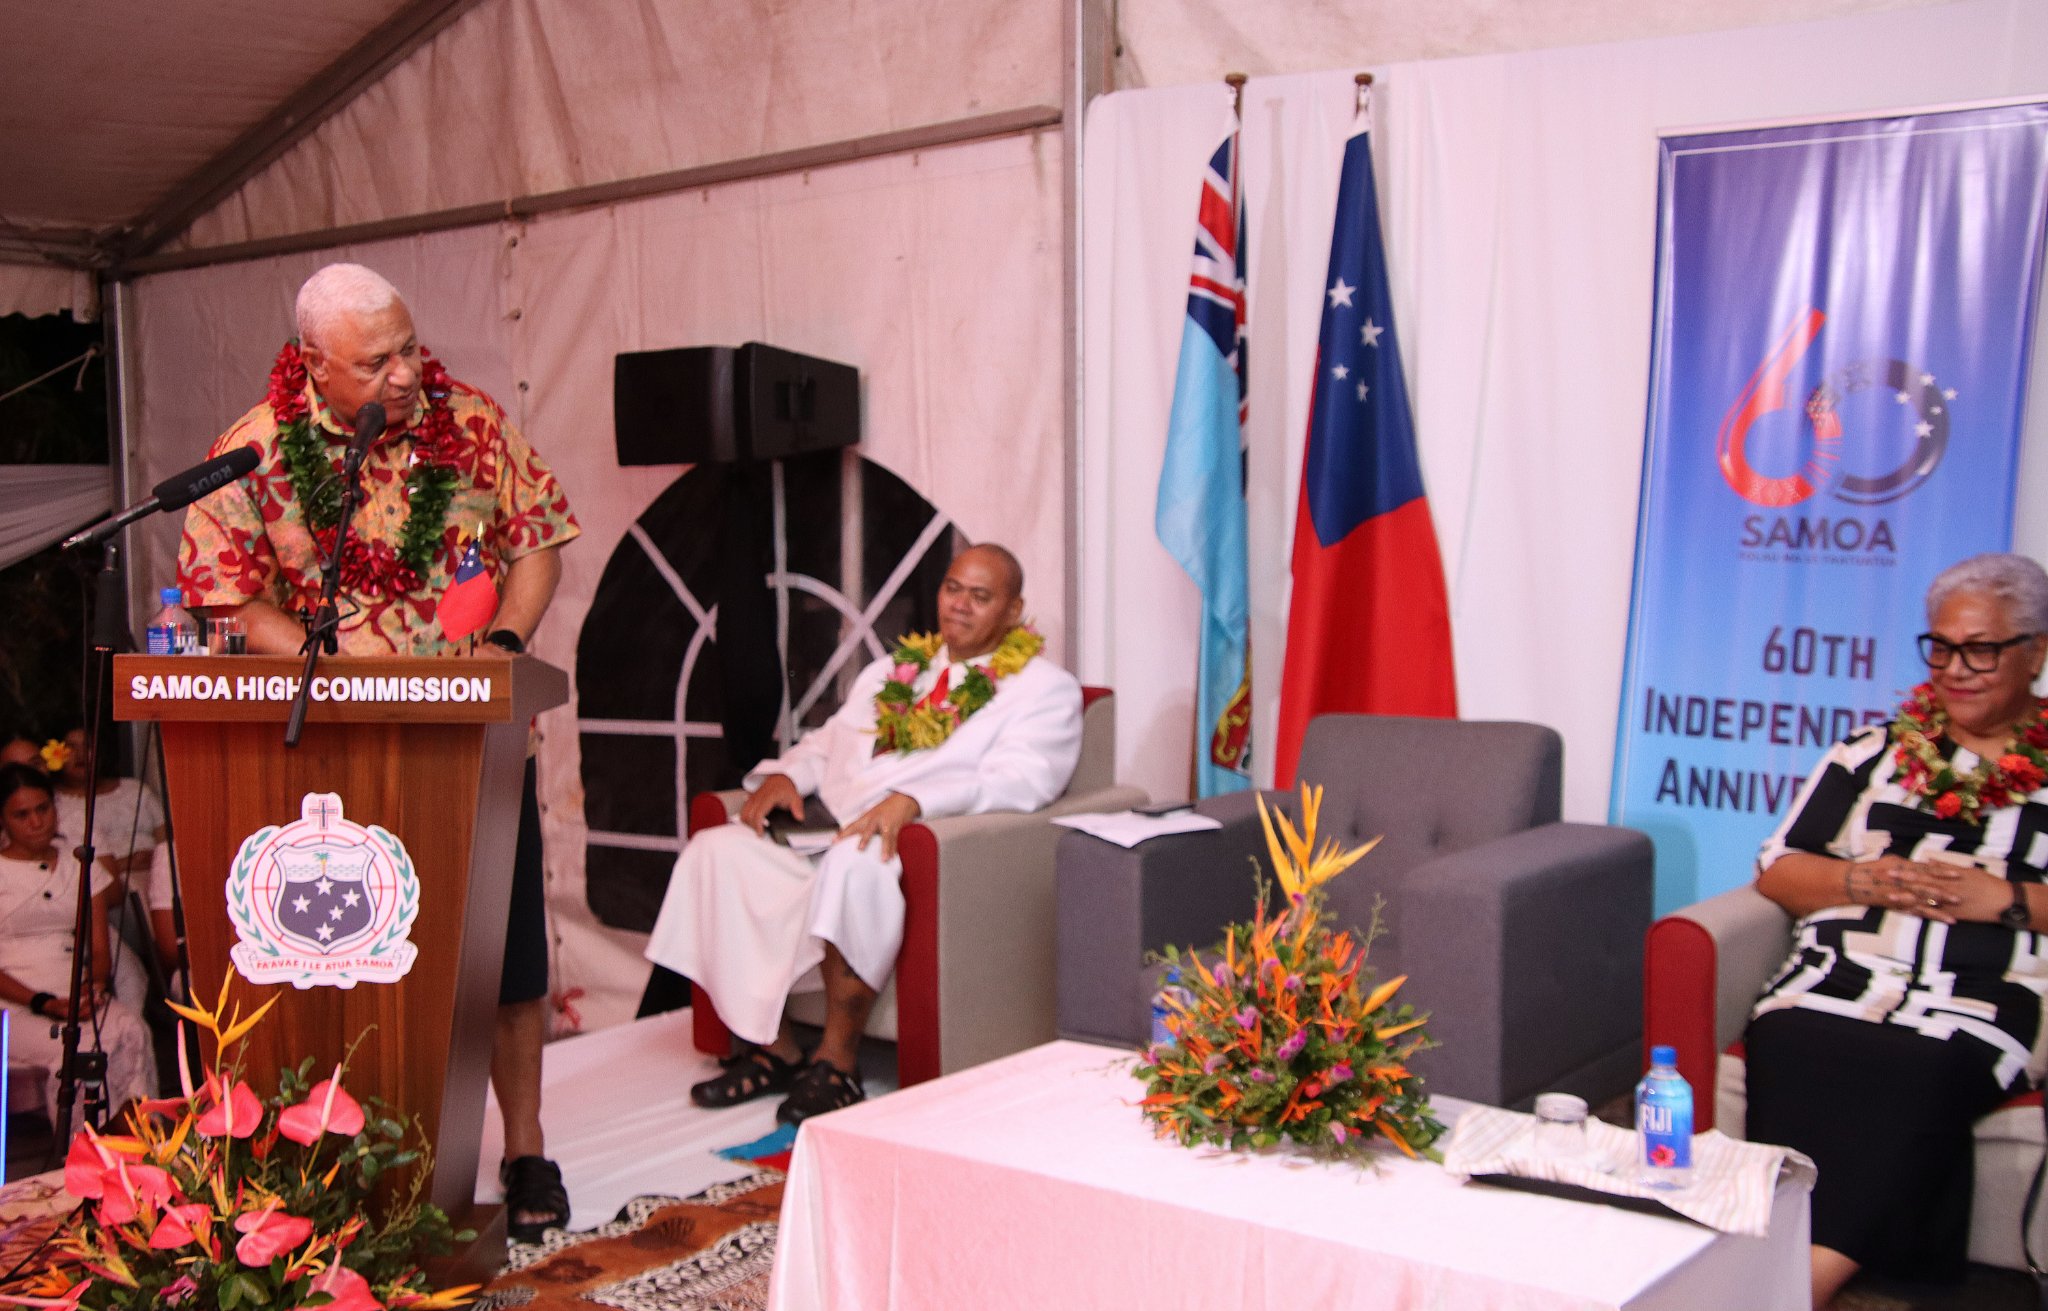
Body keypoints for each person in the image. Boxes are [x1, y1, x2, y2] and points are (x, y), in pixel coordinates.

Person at [176, 262, 581, 1241]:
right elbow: (227, 593)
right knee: (352, 959)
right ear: (313, 363)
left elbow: (538, 543)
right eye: (377, 360)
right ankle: (338, 1163)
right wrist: (334, 662)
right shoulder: (254, 451)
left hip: (474, 741)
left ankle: (523, 1150)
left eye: (409, 345)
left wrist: (504, 644)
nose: (406, 373)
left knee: (508, 958)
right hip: (328, 750)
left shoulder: (468, 423)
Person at [644, 544, 1082, 1123]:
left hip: (917, 841)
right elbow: (828, 742)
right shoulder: (892, 671)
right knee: (718, 850)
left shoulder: (1041, 688)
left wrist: (915, 801)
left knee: (859, 860)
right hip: (825, 831)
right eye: (954, 589)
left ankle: (838, 1064)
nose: (960, 606)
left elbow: (1026, 781)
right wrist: (784, 774)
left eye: (981, 596)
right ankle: (775, 1049)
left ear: (1013, 609)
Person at [1747, 552, 2048, 1308]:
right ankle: (1793, 1279)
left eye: (1980, 648)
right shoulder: (1871, 751)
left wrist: (2004, 898)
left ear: (2036, 652)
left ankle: (1789, 1288)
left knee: (1920, 1066)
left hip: (1985, 997)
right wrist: (1862, 878)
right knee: (1792, 1037)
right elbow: (1777, 869)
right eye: (1940, 647)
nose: (1955, 668)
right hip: (1840, 978)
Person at [0, 762, 156, 1121]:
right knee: (80, 1051)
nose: (36, 822)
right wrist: (43, 1002)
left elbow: (100, 951)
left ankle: (142, 1144)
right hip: (17, 1005)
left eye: (43, 809)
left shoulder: (81, 865)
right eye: (21, 814)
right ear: (4, 821)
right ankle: (81, 1158)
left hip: (76, 995)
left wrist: (95, 987)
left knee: (132, 1031)